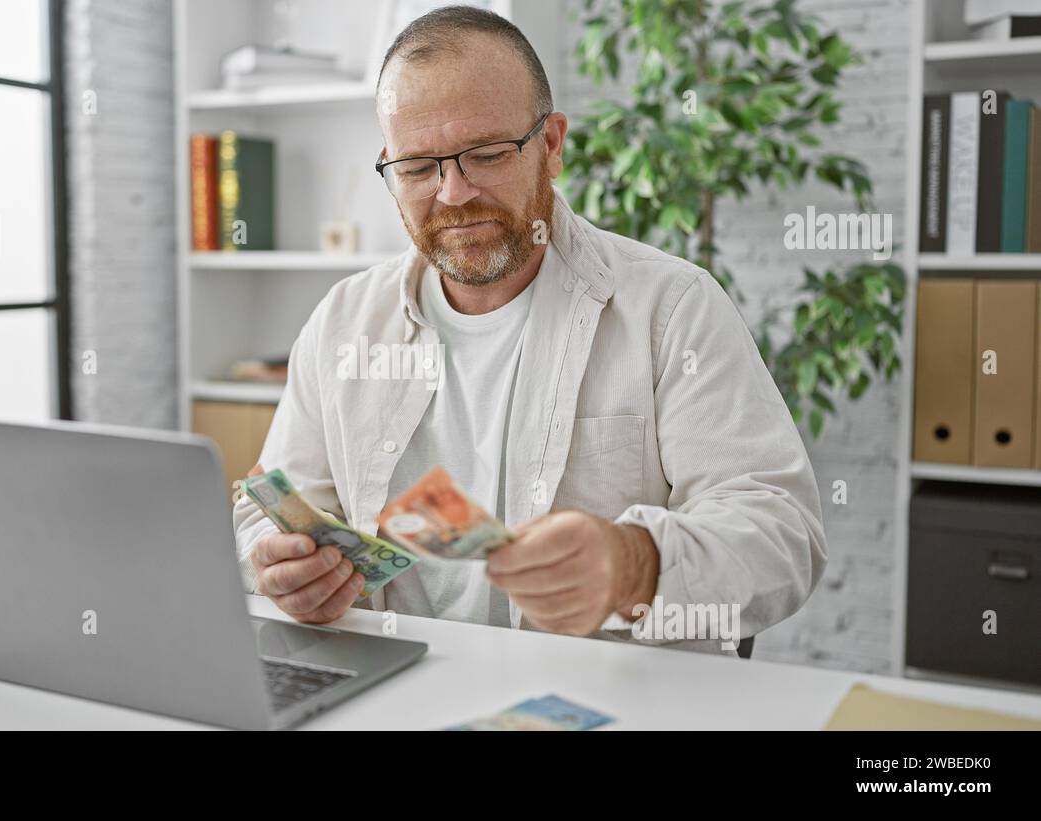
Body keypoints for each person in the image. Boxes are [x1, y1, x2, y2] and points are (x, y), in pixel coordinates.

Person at [233, 5, 827, 654]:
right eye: (417, 167)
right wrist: (273, 562)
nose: (453, 193)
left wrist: (638, 563)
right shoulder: (343, 324)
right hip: (393, 693)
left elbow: (784, 533)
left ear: (551, 145)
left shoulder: (672, 307)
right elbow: (260, 510)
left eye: (486, 155)